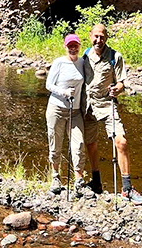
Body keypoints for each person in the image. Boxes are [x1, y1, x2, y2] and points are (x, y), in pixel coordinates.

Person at [82, 23, 142, 205]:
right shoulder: (85, 55)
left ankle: (127, 189)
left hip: (106, 104)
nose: (98, 40)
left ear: (106, 38)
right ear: (90, 36)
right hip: (87, 105)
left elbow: (121, 83)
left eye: (102, 37)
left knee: (122, 142)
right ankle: (96, 182)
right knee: (91, 143)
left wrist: (117, 89)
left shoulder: (115, 57)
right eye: (96, 36)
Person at [45, 33, 87, 194]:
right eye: (70, 45)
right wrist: (63, 92)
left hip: (75, 111)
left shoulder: (83, 62)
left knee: (79, 145)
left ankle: (79, 180)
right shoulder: (59, 63)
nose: (73, 48)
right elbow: (48, 84)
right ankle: (55, 177)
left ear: (79, 46)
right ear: (65, 46)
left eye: (75, 45)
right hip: (56, 109)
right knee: (55, 144)